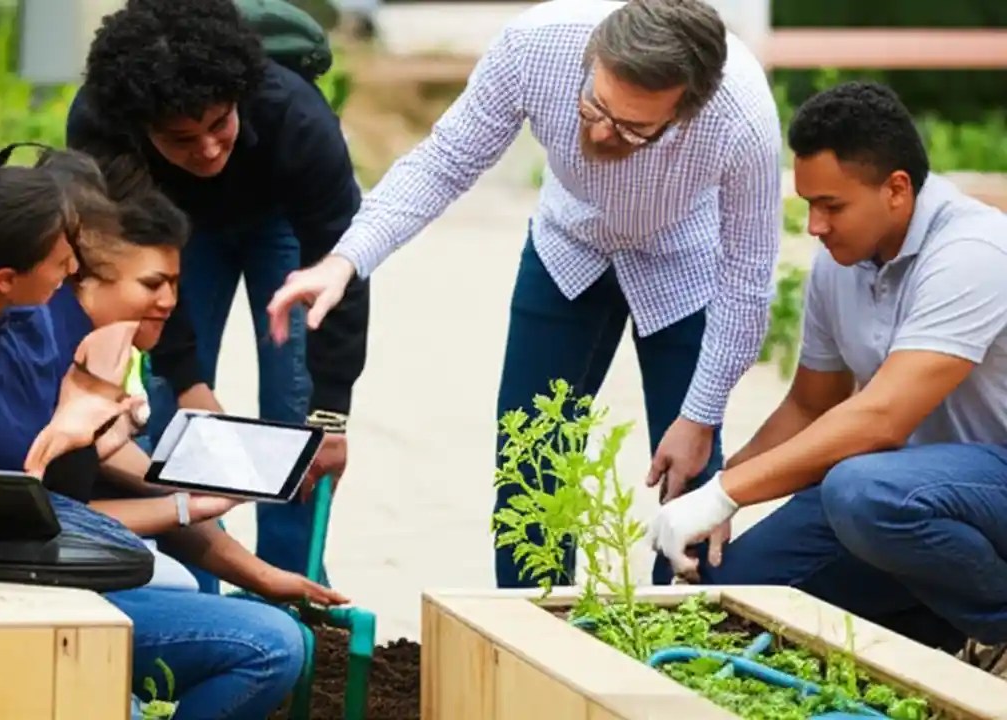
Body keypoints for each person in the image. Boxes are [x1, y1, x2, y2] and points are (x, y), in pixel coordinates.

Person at [0, 142, 341, 719]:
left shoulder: (25, 319)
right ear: (6, 277)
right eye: (62, 262)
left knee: (273, 645)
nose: (73, 272)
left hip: (38, 574)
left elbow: (85, 453)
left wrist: (103, 422)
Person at [266, 0, 784, 589]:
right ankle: (529, 634)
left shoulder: (740, 115)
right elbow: (445, 161)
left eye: (634, 128)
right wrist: (347, 258)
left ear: (686, 110)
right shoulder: (535, 47)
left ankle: (680, 649)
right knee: (529, 470)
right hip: (568, 248)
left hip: (684, 260)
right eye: (596, 105)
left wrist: (701, 416)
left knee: (691, 480)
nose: (600, 131)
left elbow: (748, 282)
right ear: (593, 60)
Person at [648, 81, 1007, 668]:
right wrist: (722, 494)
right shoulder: (840, 263)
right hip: (909, 505)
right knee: (716, 594)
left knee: (861, 491)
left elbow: (882, 417)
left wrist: (723, 492)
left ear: (896, 189)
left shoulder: (974, 251)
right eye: (809, 203)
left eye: (831, 206)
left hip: (973, 490)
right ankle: (935, 626)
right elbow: (811, 406)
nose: (814, 225)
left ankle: (997, 628)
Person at [65, 0, 369, 589]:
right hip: (170, 226)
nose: (206, 148)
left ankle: (290, 590)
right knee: (176, 411)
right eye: (181, 137)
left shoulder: (295, 118)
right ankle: (196, 583)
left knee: (295, 417)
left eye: (218, 124)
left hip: (280, 223)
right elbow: (134, 271)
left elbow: (342, 269)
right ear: (142, 127)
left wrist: (331, 415)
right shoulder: (103, 125)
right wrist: (187, 378)